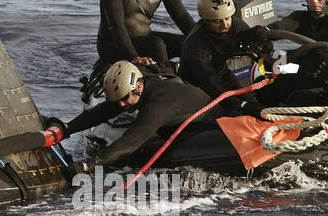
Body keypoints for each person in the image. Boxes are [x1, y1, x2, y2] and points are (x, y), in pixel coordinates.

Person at [63, 61, 218, 171]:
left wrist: (88, 165)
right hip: (191, 118)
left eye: (124, 99)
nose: (122, 105)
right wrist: (66, 129)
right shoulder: (142, 85)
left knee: (136, 153)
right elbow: (104, 110)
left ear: (137, 87)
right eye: (118, 101)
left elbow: (130, 142)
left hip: (212, 126)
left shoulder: (156, 106)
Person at [179, 0, 266, 116]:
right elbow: (210, 84)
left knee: (255, 106)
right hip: (196, 85)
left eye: (227, 19)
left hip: (223, 74)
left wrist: (262, 39)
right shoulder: (196, 44)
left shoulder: (236, 25)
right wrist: (240, 105)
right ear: (206, 21)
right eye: (217, 21)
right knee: (234, 110)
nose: (225, 25)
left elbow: (259, 51)